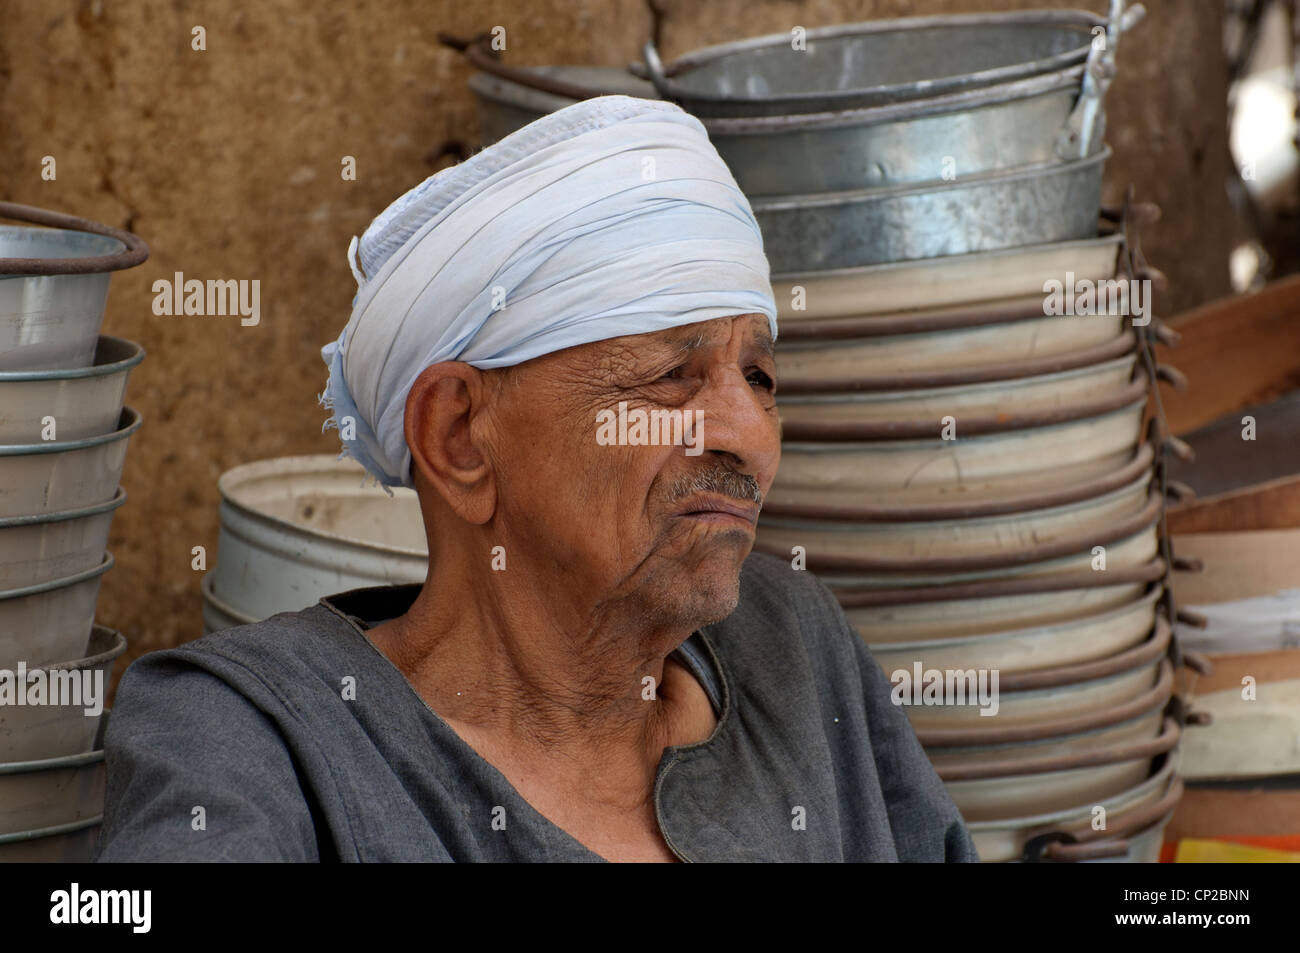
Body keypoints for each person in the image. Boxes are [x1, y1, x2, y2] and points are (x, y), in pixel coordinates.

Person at [96, 95, 977, 862]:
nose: (747, 436)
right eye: (672, 376)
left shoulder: (794, 649)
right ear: (460, 437)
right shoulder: (255, 736)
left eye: (760, 377)